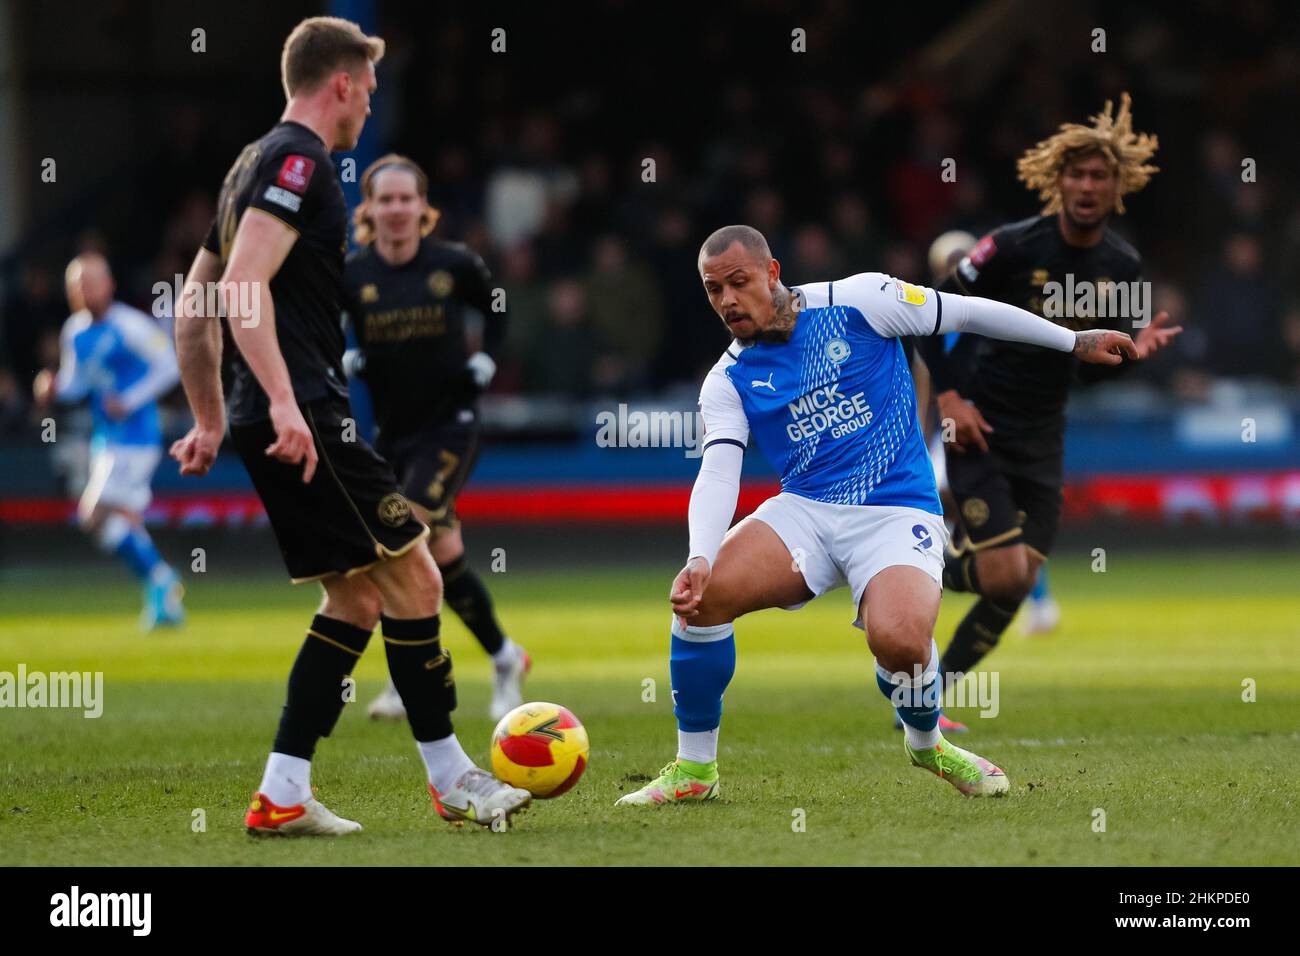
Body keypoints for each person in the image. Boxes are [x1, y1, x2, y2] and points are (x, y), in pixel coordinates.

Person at [616, 224, 1137, 806]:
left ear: (772, 272)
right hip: (806, 511)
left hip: (894, 509)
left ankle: (927, 743)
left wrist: (1072, 341)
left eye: (738, 283)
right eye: (714, 291)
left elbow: (965, 312)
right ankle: (694, 770)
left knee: (900, 642)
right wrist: (699, 558)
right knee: (697, 599)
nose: (728, 301)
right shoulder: (727, 380)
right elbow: (718, 472)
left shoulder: (862, 300)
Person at [169, 16, 530, 835]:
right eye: (368, 87)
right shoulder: (301, 162)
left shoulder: (244, 169)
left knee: (357, 600)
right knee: (418, 580)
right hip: (304, 415)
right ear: (341, 82)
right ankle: (454, 779)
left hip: (272, 413)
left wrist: (209, 417)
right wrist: (288, 403)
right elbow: (243, 291)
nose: (371, 102)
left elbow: (196, 301)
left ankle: (283, 791)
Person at [916, 94, 1181, 682]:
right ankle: (917, 567)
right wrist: (951, 397)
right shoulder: (1011, 246)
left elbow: (1090, 370)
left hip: (1043, 438)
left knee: (1018, 583)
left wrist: (1136, 354)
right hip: (980, 424)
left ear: (1118, 188)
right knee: (1008, 574)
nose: (1088, 186)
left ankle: (935, 691)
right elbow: (931, 315)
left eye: (1100, 176)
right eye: (1077, 174)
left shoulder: (1123, 266)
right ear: (1057, 182)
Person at [339, 154, 530, 722]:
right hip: (393, 434)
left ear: (424, 208)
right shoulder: (354, 274)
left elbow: (497, 310)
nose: (397, 209)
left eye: (407, 199)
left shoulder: (455, 264)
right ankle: (504, 657)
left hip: (452, 426)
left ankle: (412, 672)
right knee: (442, 559)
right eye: (386, 200)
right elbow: (326, 328)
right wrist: (346, 357)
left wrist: (487, 361)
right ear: (369, 209)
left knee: (402, 528)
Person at [34, 253, 184, 631]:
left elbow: (170, 364)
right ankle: (163, 593)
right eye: (76, 285)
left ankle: (162, 580)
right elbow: (77, 385)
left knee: (93, 515)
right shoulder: (75, 332)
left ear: (109, 284)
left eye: (90, 282)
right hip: (106, 438)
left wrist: (130, 400)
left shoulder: (130, 326)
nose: (83, 291)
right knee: (121, 522)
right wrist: (53, 387)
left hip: (136, 438)